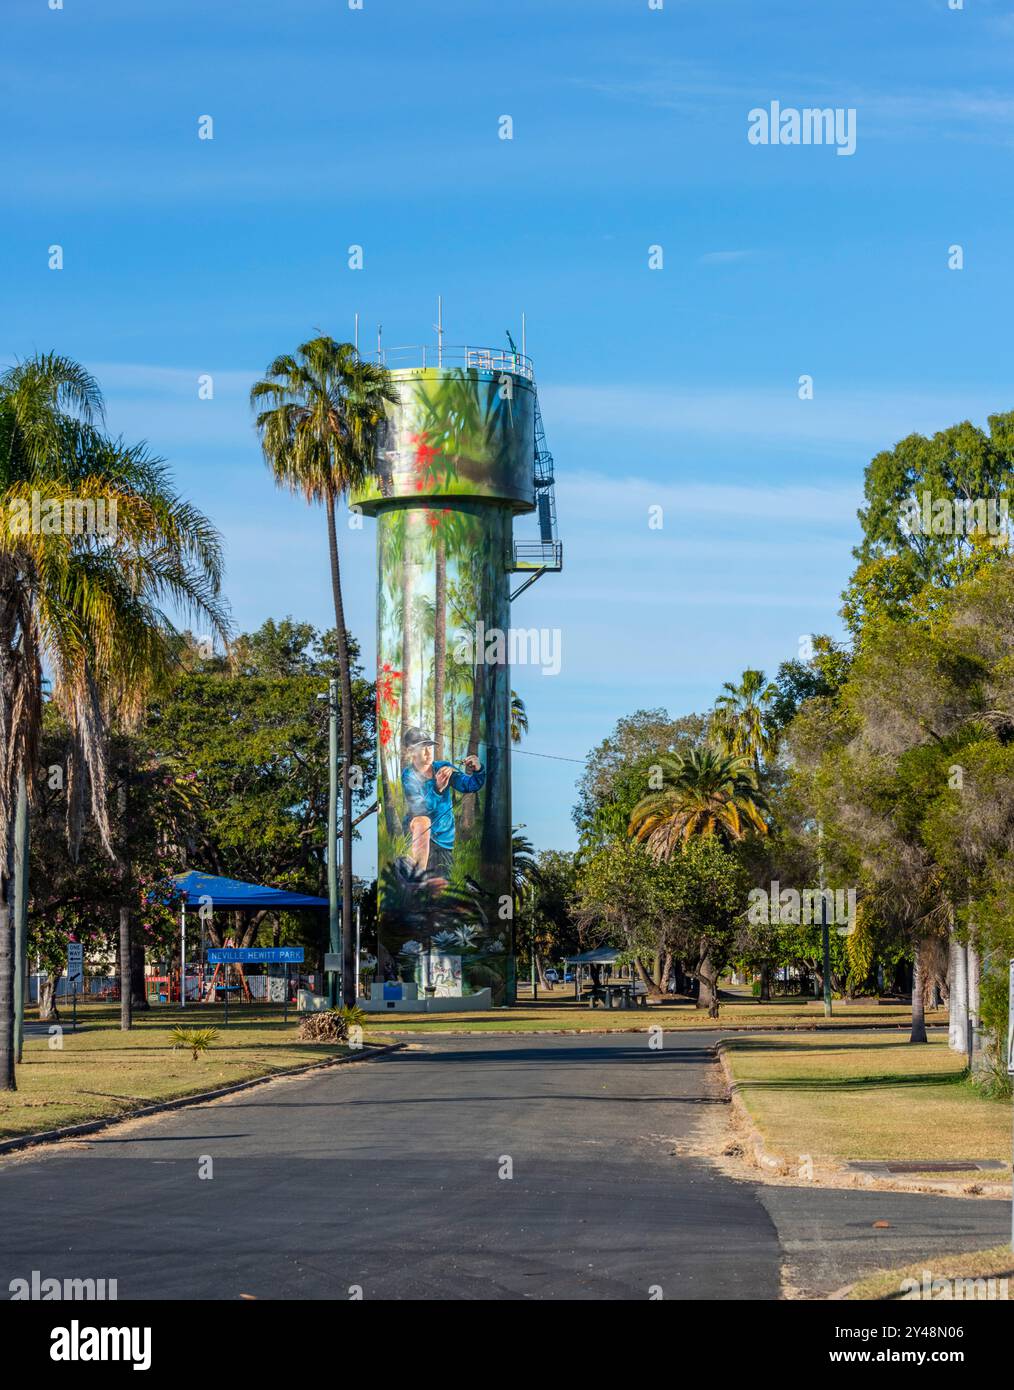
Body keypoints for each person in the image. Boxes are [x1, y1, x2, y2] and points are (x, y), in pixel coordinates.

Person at [401, 726, 485, 881]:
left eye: (429, 747)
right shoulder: (409, 776)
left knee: (440, 890)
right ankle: (417, 876)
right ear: (411, 751)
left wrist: (478, 770)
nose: (428, 752)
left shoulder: (442, 767)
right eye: (422, 748)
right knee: (423, 821)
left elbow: (470, 785)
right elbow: (421, 809)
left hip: (444, 841)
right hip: (419, 837)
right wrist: (438, 789)